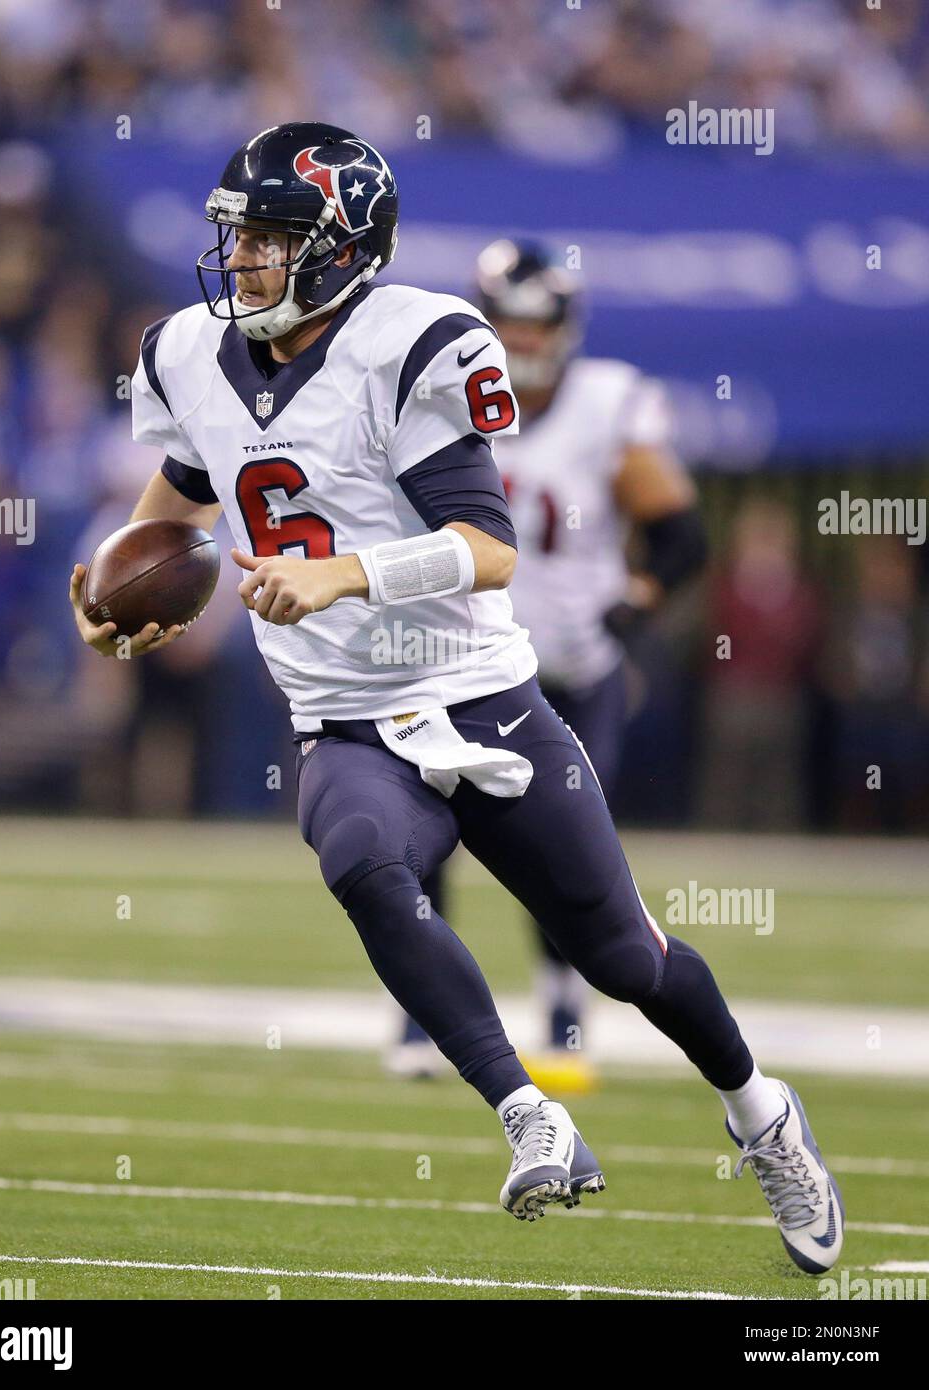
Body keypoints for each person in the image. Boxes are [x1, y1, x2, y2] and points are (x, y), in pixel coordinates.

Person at [68, 122, 842, 1267]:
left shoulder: (418, 341)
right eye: (238, 236)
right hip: (343, 718)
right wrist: (115, 587)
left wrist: (341, 571)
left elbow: (488, 548)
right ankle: (529, 1112)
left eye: (272, 238)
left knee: (628, 958)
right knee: (363, 860)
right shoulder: (188, 351)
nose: (241, 261)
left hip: (482, 695)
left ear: (340, 249)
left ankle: (762, 1114)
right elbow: (173, 508)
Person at [390, 239, 708, 1092]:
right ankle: (422, 1013)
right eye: (510, 324)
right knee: (416, 836)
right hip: (453, 662)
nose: (523, 343)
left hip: (567, 667)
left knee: (564, 850)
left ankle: (564, 1009)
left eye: (538, 325)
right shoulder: (431, 398)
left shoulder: (609, 403)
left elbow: (680, 532)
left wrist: (638, 596)